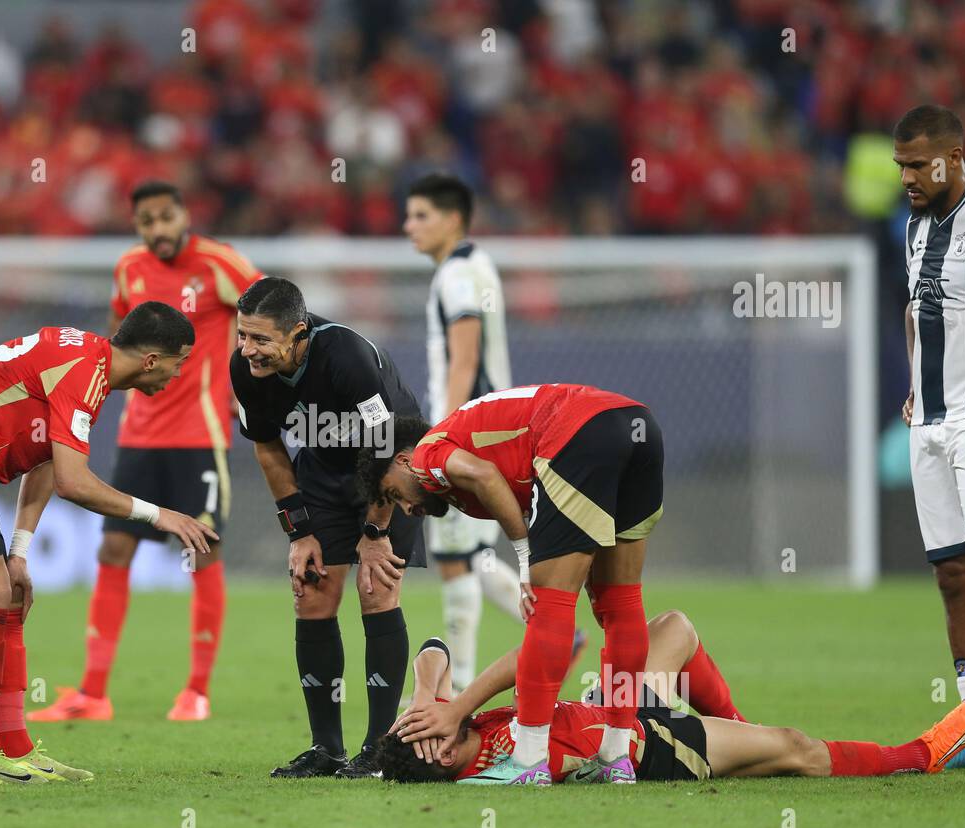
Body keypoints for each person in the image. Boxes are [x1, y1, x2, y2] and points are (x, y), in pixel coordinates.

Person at [0, 305, 217, 784]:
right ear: (151, 360)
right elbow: (74, 483)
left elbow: (45, 460)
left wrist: (19, 550)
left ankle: (15, 750)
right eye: (179, 361)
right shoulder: (85, 374)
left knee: (9, 595)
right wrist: (161, 515)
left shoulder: (87, 365)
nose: (179, 372)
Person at [30, 180, 260, 724]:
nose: (157, 230)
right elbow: (118, 338)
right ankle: (92, 693)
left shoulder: (219, 263)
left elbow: (266, 315)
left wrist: (242, 381)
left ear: (184, 214)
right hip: (139, 432)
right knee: (113, 550)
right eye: (146, 222)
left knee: (200, 551)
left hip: (199, 434)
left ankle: (196, 692)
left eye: (164, 217)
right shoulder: (129, 268)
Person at [355, 383, 663, 783]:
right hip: (638, 424)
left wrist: (523, 558)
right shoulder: (464, 447)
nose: (408, 508)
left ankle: (529, 760)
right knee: (620, 602)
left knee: (548, 603)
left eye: (395, 494)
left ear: (402, 460)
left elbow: (484, 476)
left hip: (577, 433)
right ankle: (617, 755)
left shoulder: (429, 452)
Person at [378, 614, 965, 783]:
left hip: (613, 707)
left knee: (673, 629)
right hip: (654, 749)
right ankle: (927, 753)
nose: (434, 729)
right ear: (438, 760)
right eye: (429, 738)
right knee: (800, 751)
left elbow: (432, 646)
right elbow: (543, 656)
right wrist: (449, 711)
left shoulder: (454, 725)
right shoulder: (495, 775)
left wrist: (431, 697)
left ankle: (743, 733)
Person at [232, 276, 425, 778]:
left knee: (375, 589)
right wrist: (300, 533)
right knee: (310, 592)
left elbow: (386, 445)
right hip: (322, 471)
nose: (248, 350)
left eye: (260, 340)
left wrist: (376, 533)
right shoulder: (245, 370)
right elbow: (268, 447)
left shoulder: (345, 356)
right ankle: (326, 750)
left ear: (297, 334)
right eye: (242, 335)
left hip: (393, 464)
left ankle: (379, 750)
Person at [403, 172, 531, 693]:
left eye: (420, 215)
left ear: (453, 219)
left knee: (454, 560)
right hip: (495, 427)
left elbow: (465, 356)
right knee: (476, 555)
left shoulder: (455, 276)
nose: (408, 226)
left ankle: (457, 689)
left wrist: (443, 436)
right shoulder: (479, 264)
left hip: (470, 431)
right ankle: (551, 632)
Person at [896, 104, 965, 767]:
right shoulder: (912, 229)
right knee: (955, 575)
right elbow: (918, 310)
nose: (906, 178)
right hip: (927, 425)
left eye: (917, 164)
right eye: (899, 166)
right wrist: (911, 384)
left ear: (953, 158)